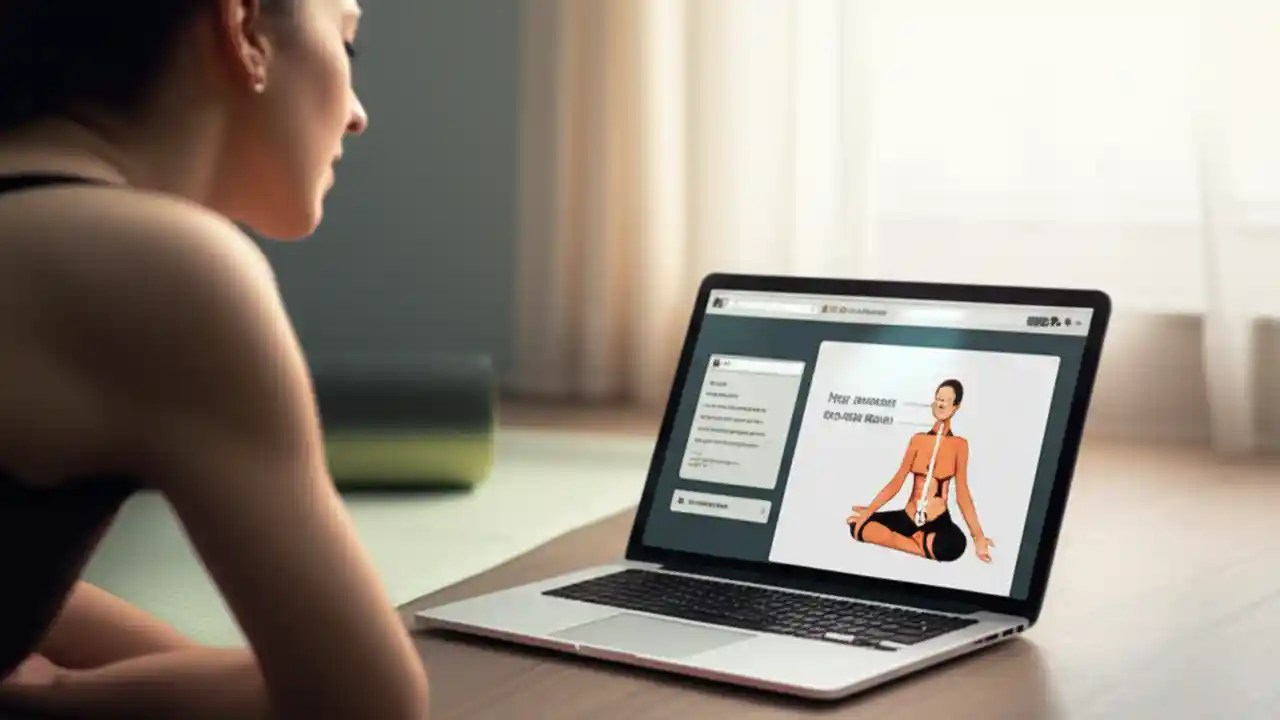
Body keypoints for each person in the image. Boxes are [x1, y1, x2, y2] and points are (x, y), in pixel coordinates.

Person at [0, 1, 430, 718]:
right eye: (346, 47)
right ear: (246, 28)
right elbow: (365, 706)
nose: (357, 114)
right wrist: (61, 695)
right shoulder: (160, 270)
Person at [845, 379, 994, 564]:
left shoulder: (959, 445)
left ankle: (910, 541)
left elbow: (962, 494)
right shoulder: (918, 440)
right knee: (857, 526)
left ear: (956, 407)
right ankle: (919, 544)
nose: (940, 404)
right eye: (938, 398)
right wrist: (872, 509)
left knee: (955, 546)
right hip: (907, 516)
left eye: (946, 400)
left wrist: (978, 536)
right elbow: (896, 482)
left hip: (937, 520)